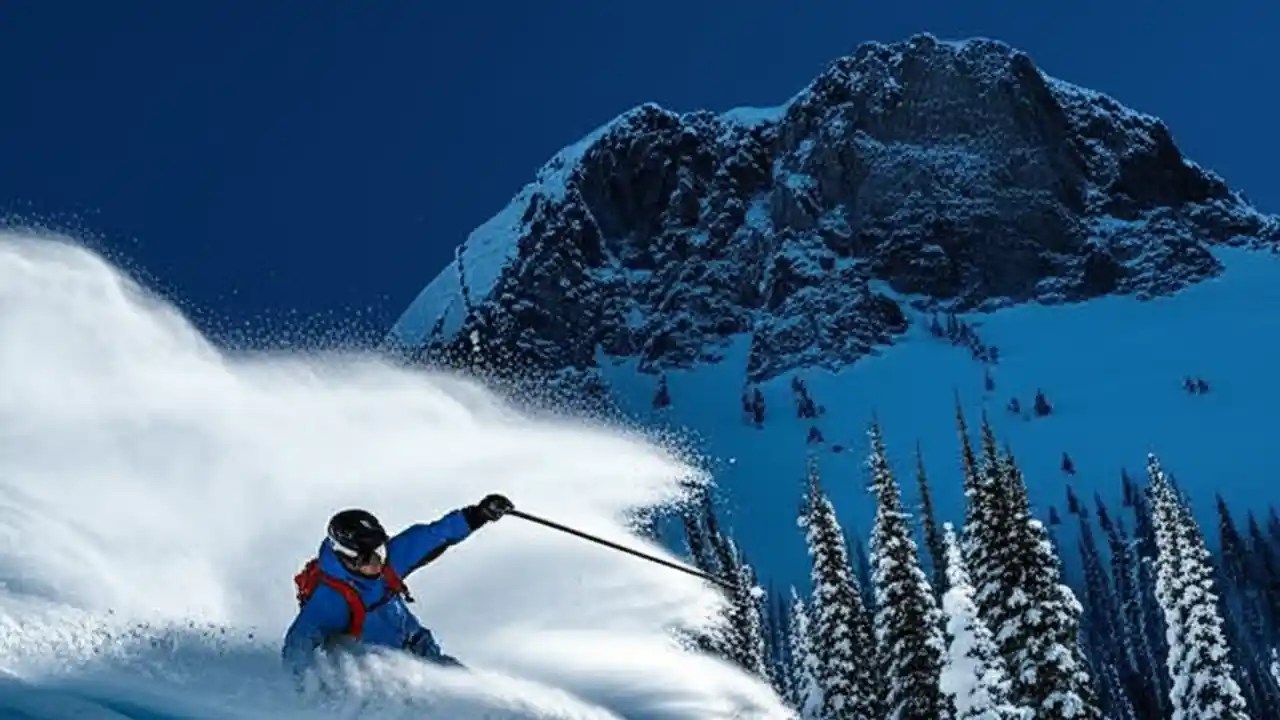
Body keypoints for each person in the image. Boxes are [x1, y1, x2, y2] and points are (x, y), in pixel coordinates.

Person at [282, 493, 514, 677]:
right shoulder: (332, 600)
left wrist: (479, 514)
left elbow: (436, 534)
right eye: (366, 557)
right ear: (346, 557)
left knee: (468, 694)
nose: (376, 562)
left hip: (422, 653)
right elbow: (297, 646)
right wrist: (306, 690)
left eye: (379, 551)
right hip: (382, 674)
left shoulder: (388, 563)